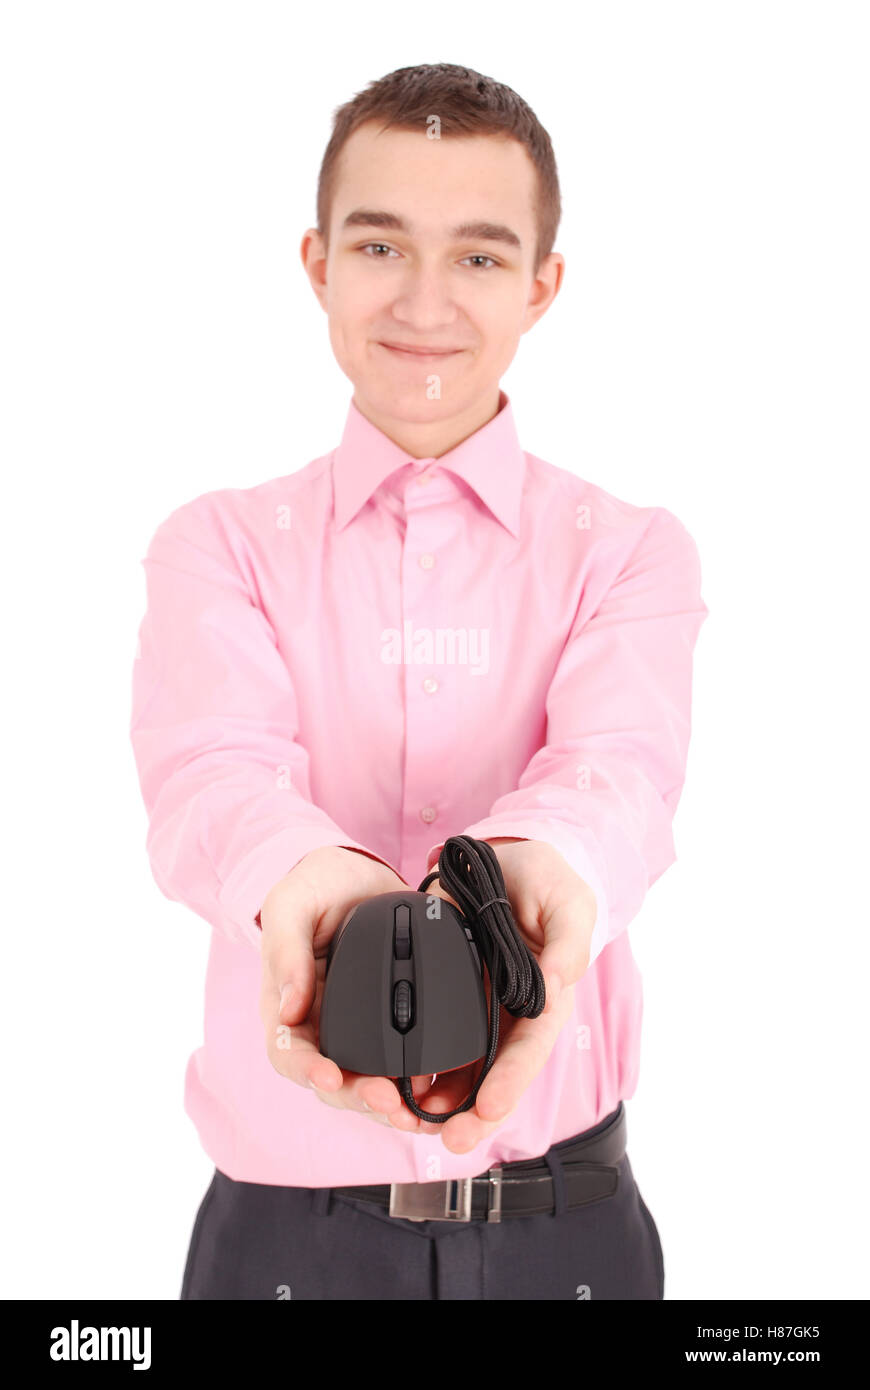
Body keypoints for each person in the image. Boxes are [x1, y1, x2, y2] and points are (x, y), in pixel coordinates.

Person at [130, 61, 708, 1301]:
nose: (426, 301)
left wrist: (532, 877)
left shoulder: (631, 552)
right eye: (382, 244)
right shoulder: (217, 545)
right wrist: (303, 877)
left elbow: (619, 773)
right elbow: (211, 773)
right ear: (318, 263)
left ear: (542, 284)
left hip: (571, 1235)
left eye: (480, 256)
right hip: (285, 1243)